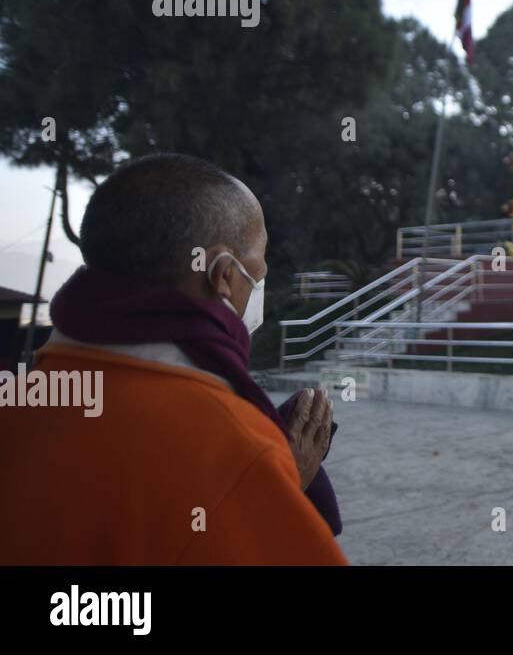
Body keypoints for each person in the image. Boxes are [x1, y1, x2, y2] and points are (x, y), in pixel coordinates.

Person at [0, 153, 347, 564]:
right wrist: (282, 483)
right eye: (260, 257)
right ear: (223, 275)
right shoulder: (233, 444)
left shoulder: (22, 396)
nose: (263, 273)